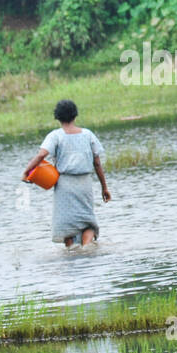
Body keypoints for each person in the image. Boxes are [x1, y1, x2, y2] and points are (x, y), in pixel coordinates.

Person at [23, 99, 111, 247]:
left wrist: (26, 172)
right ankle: (87, 248)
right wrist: (104, 187)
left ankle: (73, 253)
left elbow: (40, 156)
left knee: (67, 224)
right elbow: (97, 163)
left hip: (65, 185)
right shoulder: (88, 134)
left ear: (57, 117)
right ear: (75, 116)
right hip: (85, 183)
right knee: (87, 220)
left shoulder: (55, 136)